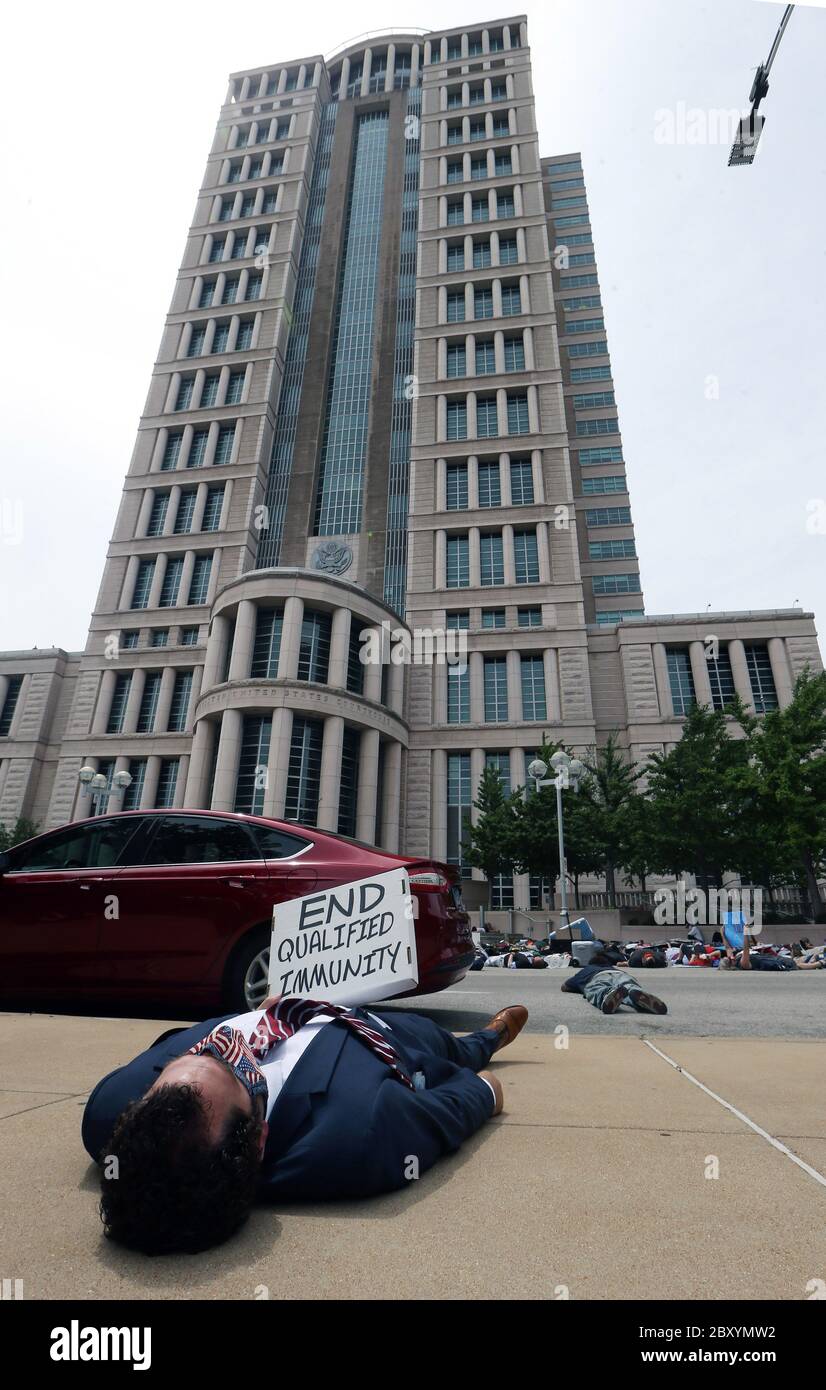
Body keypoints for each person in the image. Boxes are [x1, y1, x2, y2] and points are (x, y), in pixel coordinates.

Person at [82, 996, 529, 1255]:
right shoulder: (358, 1134)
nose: (213, 1048)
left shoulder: (108, 1111)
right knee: (461, 1051)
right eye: (224, 1065)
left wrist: (261, 1016)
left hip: (284, 1001)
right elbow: (464, 1100)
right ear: (259, 1140)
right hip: (384, 1030)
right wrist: (485, 1093)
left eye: (203, 1051)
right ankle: (490, 1036)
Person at [560, 946, 667, 1014]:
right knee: (629, 987)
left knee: (596, 988)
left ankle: (607, 993)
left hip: (598, 977)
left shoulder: (587, 970)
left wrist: (580, 987)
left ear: (591, 964)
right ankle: (637, 995)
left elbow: (564, 987)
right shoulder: (612, 967)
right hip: (621, 974)